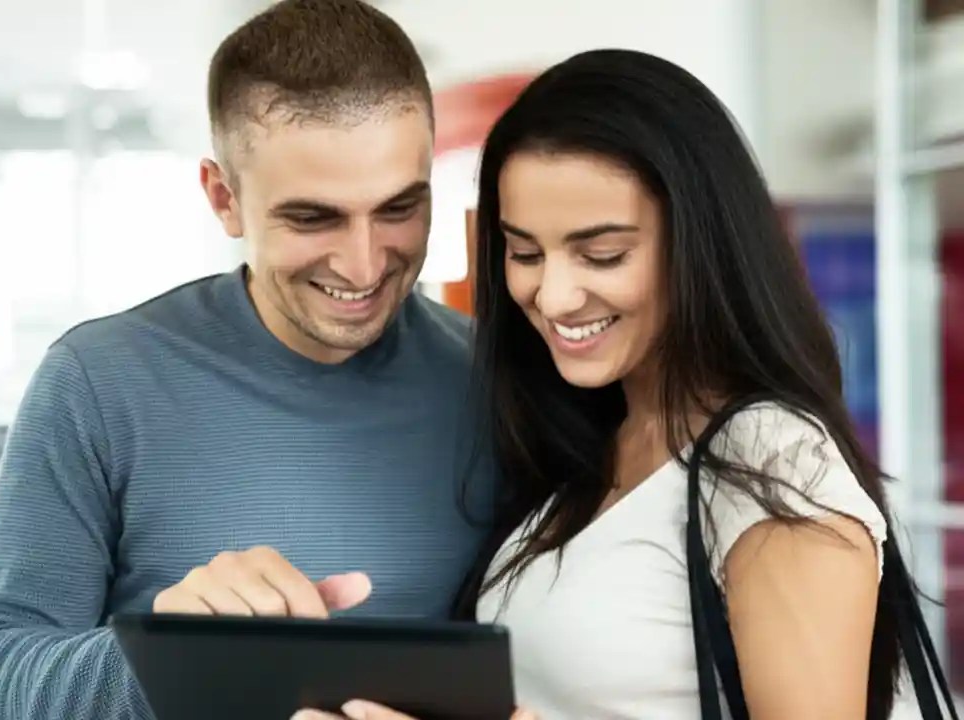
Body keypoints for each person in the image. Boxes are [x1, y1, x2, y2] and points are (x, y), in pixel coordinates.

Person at [295, 49, 920, 720]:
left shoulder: (772, 462)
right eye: (525, 253)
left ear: (701, 245)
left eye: (603, 255)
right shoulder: (595, 443)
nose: (554, 296)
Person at [0, 1, 496, 718]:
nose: (364, 265)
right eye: (313, 217)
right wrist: (168, 657)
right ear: (223, 197)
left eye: (399, 208)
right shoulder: (97, 382)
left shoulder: (494, 383)